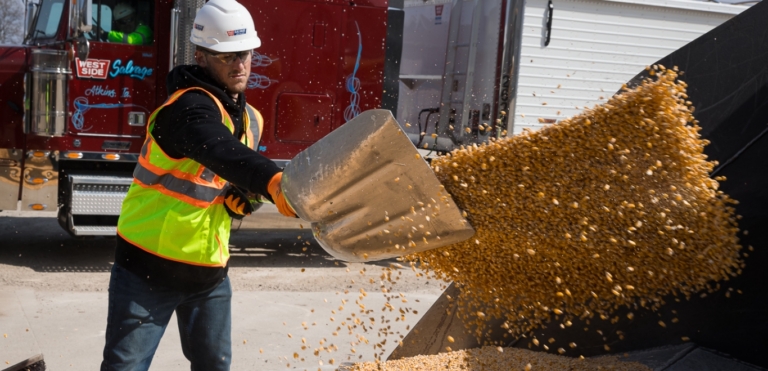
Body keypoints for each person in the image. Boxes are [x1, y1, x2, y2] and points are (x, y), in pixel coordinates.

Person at [100, 0, 296, 369]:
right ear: (201, 56)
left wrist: (247, 196)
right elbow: (214, 146)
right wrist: (270, 180)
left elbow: (225, 173)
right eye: (227, 56)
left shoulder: (250, 118)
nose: (239, 64)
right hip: (147, 270)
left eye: (244, 54)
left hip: (209, 275)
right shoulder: (185, 108)